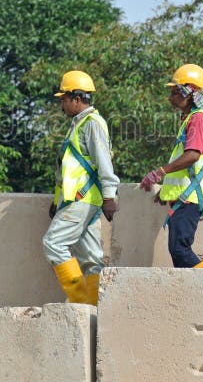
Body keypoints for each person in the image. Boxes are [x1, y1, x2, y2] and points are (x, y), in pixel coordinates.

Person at [43, 70, 119, 305]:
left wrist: (109, 196)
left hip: (83, 199)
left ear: (76, 99)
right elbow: (67, 169)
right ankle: (94, 309)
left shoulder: (92, 124)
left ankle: (80, 301)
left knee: (53, 243)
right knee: (91, 259)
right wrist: (57, 202)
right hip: (80, 200)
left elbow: (104, 162)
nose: (61, 105)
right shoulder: (79, 125)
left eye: (63, 100)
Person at [139, 64, 203, 268]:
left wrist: (160, 172)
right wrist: (166, 191)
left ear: (188, 92)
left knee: (179, 249)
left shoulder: (199, 119)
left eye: (175, 92)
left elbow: (192, 155)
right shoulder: (192, 118)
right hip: (185, 195)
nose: (170, 97)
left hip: (191, 196)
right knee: (177, 250)